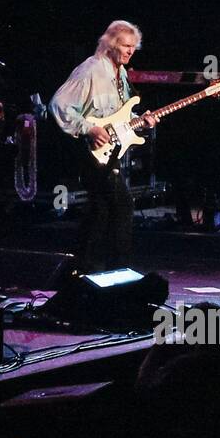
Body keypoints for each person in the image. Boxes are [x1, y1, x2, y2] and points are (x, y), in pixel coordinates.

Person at [50, 21, 157, 271]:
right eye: (126, 46)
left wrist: (141, 122)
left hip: (108, 152)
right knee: (122, 204)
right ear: (110, 45)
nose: (131, 51)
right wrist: (90, 129)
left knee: (100, 210)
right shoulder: (91, 70)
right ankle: (119, 269)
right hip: (85, 150)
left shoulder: (121, 73)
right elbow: (58, 105)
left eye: (134, 47)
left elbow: (118, 117)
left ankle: (85, 269)